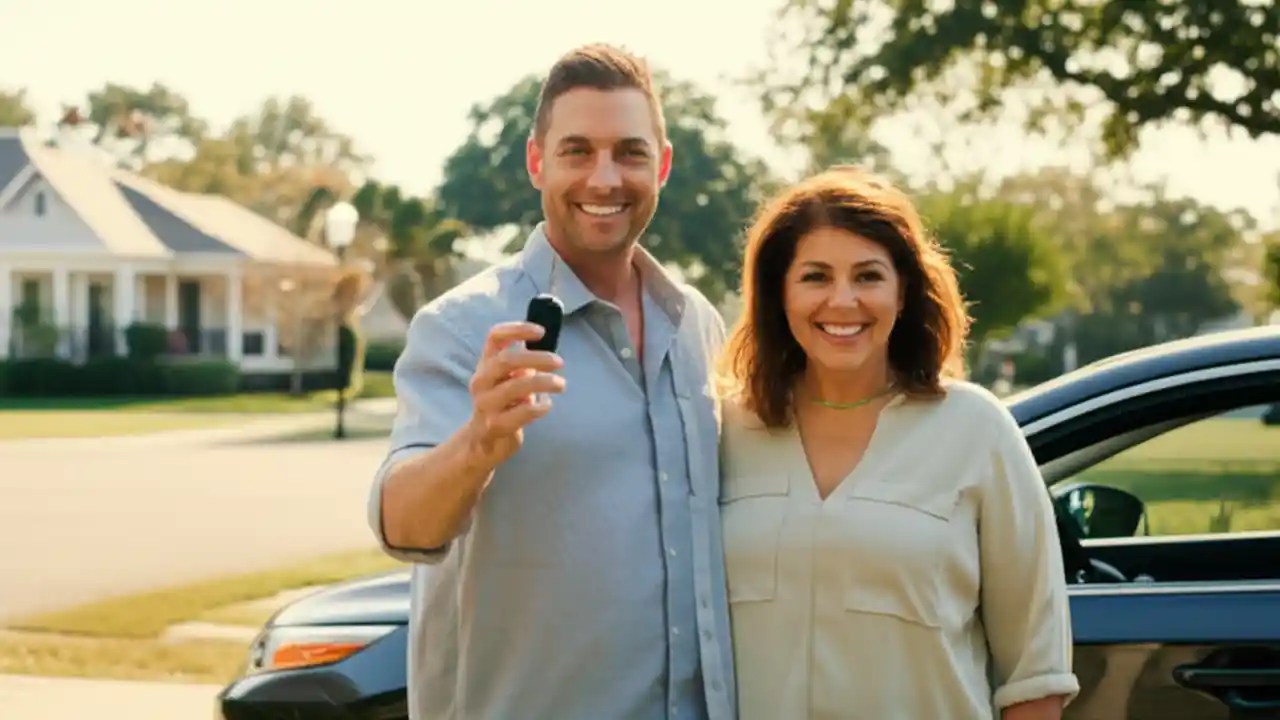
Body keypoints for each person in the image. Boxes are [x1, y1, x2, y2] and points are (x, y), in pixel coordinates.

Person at [368, 44, 735, 720]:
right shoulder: (462, 326)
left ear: (664, 164)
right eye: (577, 151)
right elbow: (402, 525)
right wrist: (478, 443)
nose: (604, 179)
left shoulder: (698, 326)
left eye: (629, 152)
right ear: (537, 161)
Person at [716, 166, 1079, 719]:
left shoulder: (977, 430)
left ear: (903, 290)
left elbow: (1036, 678)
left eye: (868, 276)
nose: (843, 301)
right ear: (778, 293)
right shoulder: (722, 433)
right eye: (815, 276)